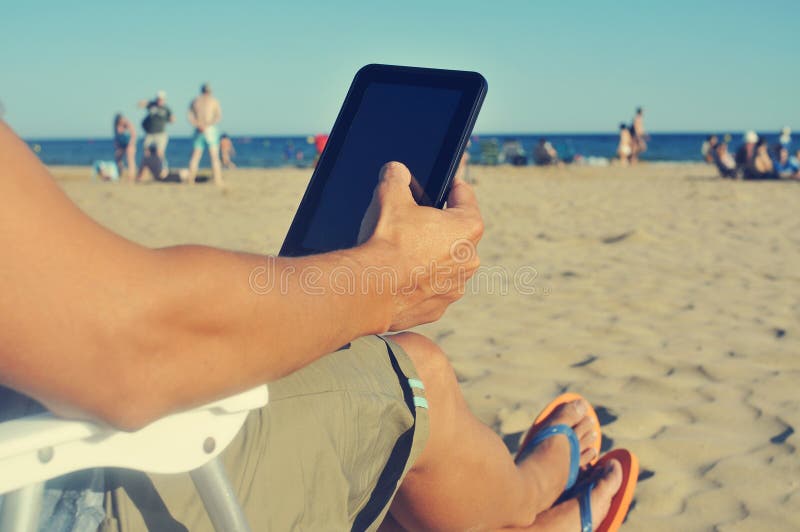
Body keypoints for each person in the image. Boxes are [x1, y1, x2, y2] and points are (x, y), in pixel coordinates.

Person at [0, 120, 634, 531]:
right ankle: (531, 497)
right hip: (72, 492)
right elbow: (129, 350)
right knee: (415, 375)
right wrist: (380, 277)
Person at [187, 83, 224, 186]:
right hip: (210, 130)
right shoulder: (214, 101)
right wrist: (207, 125)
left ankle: (191, 179)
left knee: (195, 156)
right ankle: (217, 180)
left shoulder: (195, 101)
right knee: (214, 157)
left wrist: (198, 125)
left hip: (198, 130)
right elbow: (218, 116)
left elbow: (189, 117)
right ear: (210, 91)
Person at [138, 90, 174, 161]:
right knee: (146, 152)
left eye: (161, 99)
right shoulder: (151, 105)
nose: (159, 101)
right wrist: (147, 102)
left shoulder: (166, 109)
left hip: (160, 134)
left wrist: (170, 119)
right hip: (149, 133)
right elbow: (140, 104)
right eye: (158, 99)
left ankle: (162, 168)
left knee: (159, 152)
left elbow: (172, 119)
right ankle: (147, 167)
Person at [113, 113, 136, 180]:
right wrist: (116, 145)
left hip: (129, 143)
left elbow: (133, 134)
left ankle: (131, 176)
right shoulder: (116, 125)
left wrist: (131, 143)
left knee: (130, 159)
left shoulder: (127, 123)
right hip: (121, 144)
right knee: (117, 158)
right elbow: (117, 137)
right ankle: (119, 173)